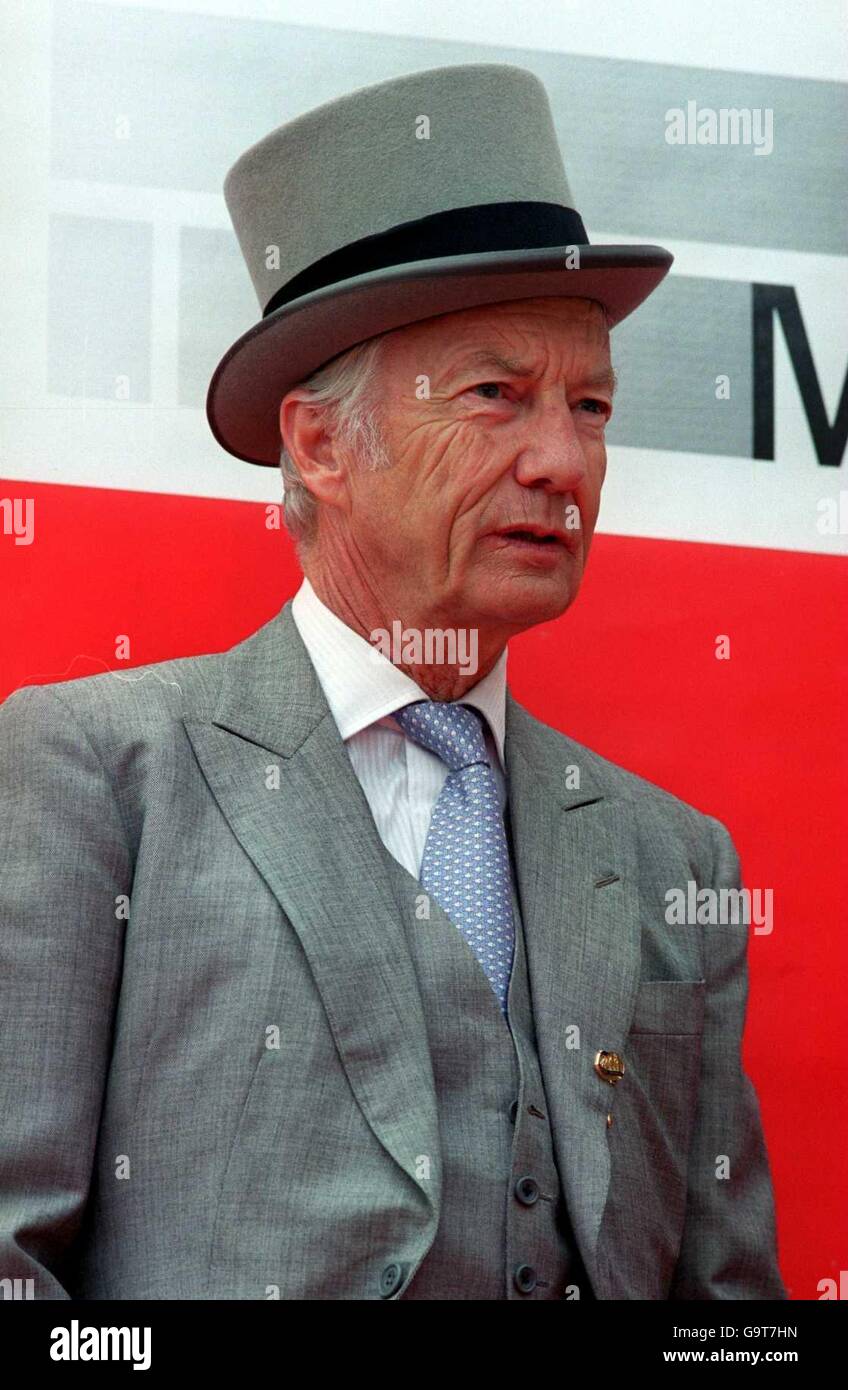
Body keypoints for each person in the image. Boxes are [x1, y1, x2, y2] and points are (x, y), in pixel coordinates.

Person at [0, 63, 785, 1300]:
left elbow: (724, 1314)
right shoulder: (96, 772)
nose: (561, 460)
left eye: (590, 405)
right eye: (495, 396)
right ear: (320, 445)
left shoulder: (671, 861)